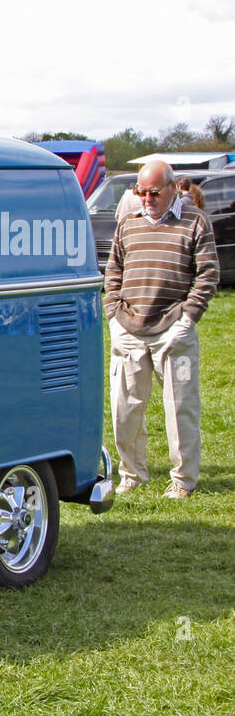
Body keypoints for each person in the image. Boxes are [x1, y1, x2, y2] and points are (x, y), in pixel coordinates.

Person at [104, 159, 220, 498]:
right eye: (141, 192)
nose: (147, 199)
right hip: (129, 327)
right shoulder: (127, 221)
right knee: (124, 409)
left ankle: (183, 479)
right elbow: (113, 271)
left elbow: (208, 274)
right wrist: (113, 314)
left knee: (180, 407)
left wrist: (188, 319)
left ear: (173, 188)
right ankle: (132, 474)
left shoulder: (195, 221)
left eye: (154, 192)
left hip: (173, 328)